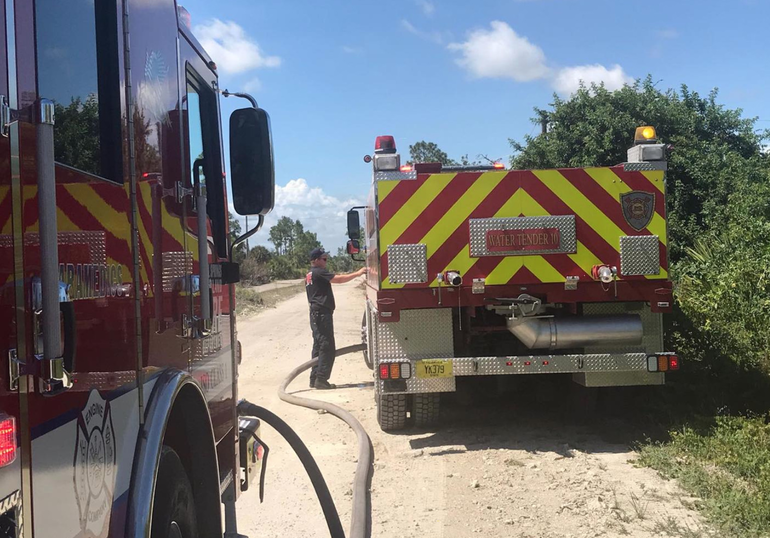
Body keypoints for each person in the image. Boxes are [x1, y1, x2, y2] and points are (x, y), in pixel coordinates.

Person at [305, 247, 366, 390]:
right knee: (327, 347)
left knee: (318, 345)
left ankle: (314, 378)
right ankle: (321, 379)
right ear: (316, 260)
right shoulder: (319, 272)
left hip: (315, 314)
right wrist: (358, 273)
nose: (326, 261)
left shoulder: (310, 274)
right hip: (321, 314)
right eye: (324, 259)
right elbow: (338, 279)